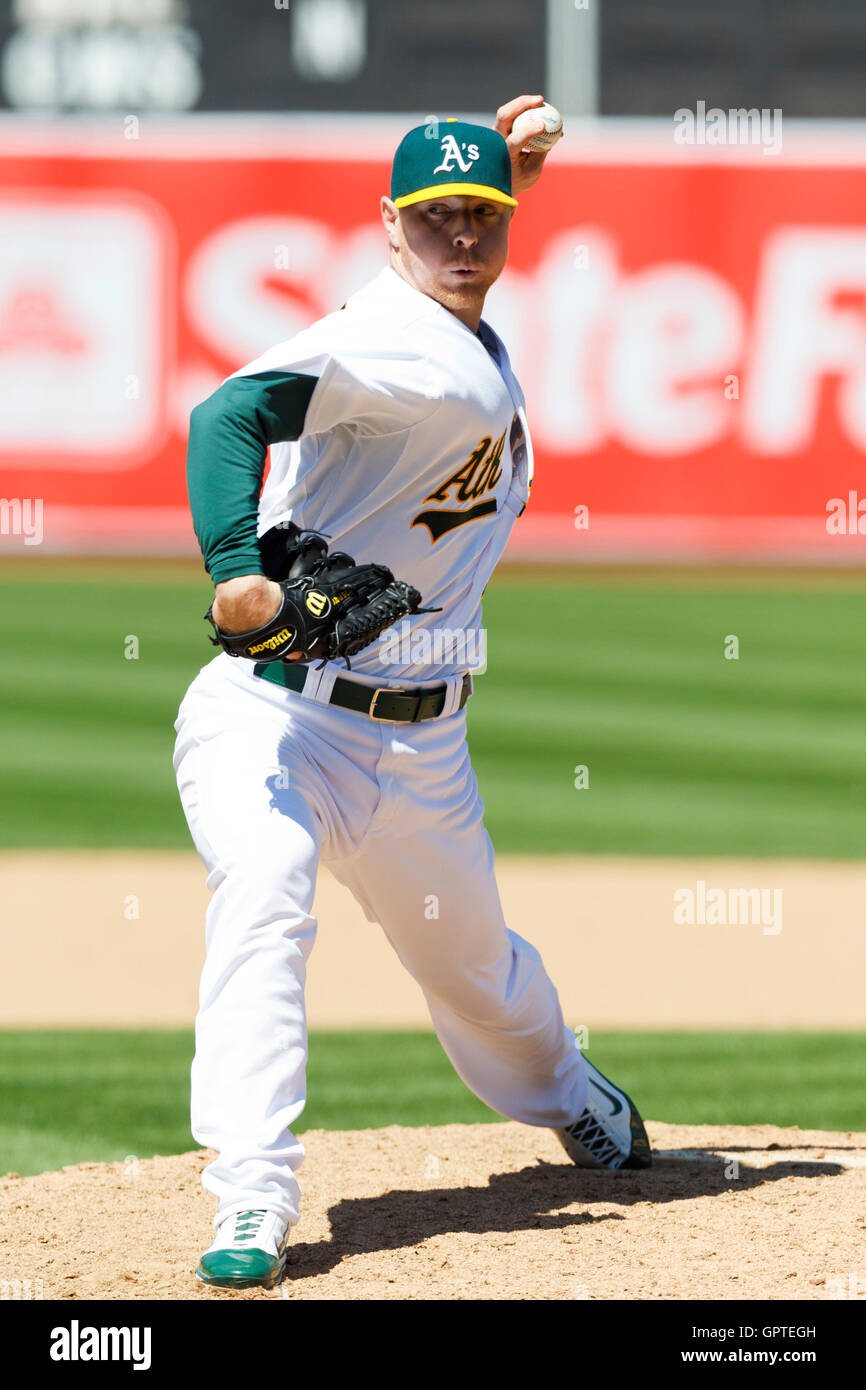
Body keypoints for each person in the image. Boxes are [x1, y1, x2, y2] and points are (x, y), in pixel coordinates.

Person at [174, 95, 651, 1292]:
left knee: (479, 975)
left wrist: (495, 173)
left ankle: (565, 1091)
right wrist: (236, 572)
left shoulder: (454, 326)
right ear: (386, 227)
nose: (460, 236)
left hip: (418, 754)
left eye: (479, 216)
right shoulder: (392, 336)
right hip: (273, 712)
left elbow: (458, 273)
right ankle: (251, 1193)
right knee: (268, 893)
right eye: (433, 217)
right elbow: (227, 412)